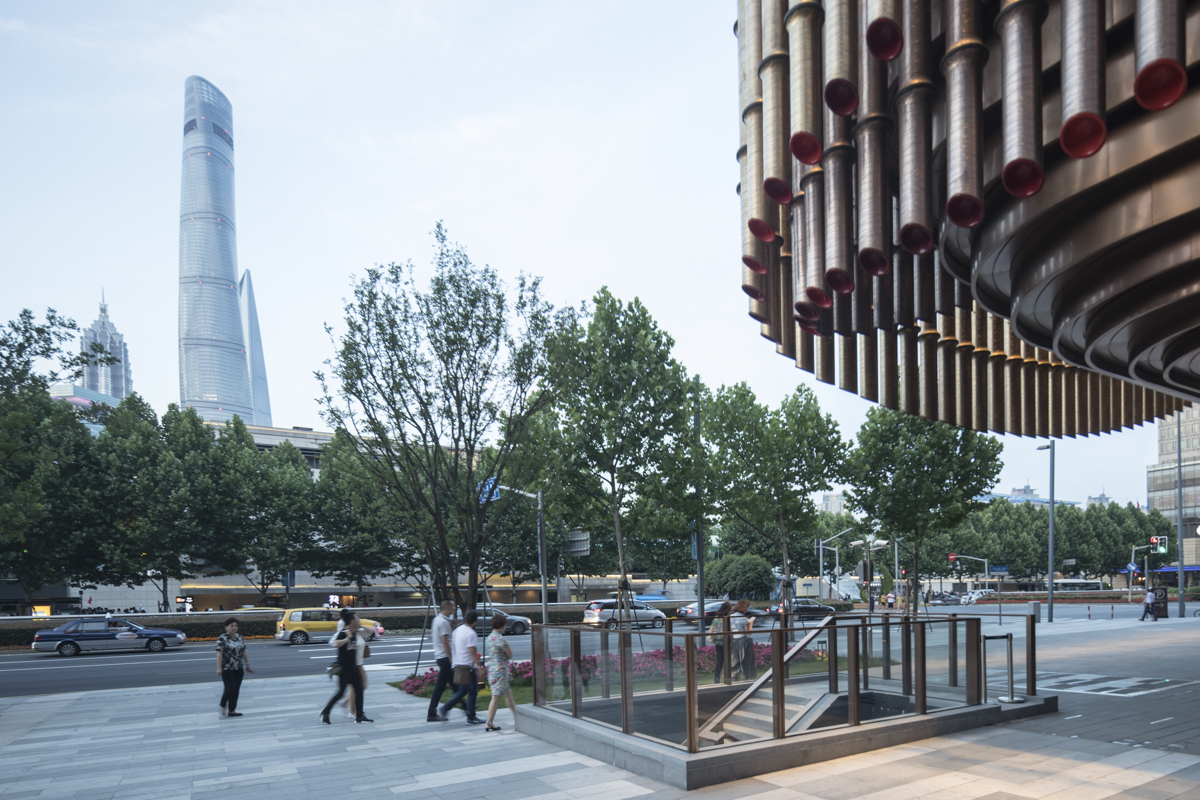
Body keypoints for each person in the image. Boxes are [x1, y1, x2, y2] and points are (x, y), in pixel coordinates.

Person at [321, 610, 372, 723]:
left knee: (359, 690)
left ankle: (359, 715)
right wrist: (347, 638)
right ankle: (326, 711)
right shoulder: (343, 632)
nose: (359, 621)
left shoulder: (354, 632)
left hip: (354, 667)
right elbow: (336, 644)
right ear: (352, 621)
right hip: (344, 669)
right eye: (357, 619)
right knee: (340, 693)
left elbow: (371, 631)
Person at [439, 609, 484, 725]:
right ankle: (471, 717)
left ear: (465, 618)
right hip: (468, 667)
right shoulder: (471, 633)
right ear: (476, 620)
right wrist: (478, 667)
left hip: (458, 665)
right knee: (472, 692)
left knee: (463, 690)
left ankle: (445, 708)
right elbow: (472, 652)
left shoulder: (457, 630)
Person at [216, 617, 254, 718]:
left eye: (236, 626)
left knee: (236, 689)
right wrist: (219, 668)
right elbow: (219, 654)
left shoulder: (239, 637)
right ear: (226, 627)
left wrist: (247, 664)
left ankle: (232, 710)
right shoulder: (222, 639)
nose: (234, 628)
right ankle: (223, 704)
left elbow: (244, 651)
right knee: (230, 688)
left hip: (238, 667)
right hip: (227, 668)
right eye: (231, 626)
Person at [484, 615, 515, 731]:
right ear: (501, 626)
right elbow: (510, 654)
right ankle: (489, 722)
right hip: (500, 671)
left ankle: (517, 715)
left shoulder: (489, 638)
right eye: (505, 625)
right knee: (496, 697)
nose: (505, 627)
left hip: (492, 669)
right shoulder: (502, 640)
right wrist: (505, 657)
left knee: (507, 693)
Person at [426, 600, 456, 722]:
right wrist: (451, 658)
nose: (454, 608)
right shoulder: (443, 622)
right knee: (440, 687)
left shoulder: (438, 620)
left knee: (455, 686)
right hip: (445, 658)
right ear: (447, 606)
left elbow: (444, 638)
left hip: (441, 656)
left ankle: (467, 708)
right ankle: (431, 713)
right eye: (453, 606)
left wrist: (451, 627)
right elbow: (445, 642)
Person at [729, 599, 756, 680]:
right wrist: (751, 623)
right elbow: (748, 632)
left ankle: (733, 676)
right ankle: (749, 676)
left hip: (734, 640)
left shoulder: (731, 617)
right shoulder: (743, 618)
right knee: (748, 659)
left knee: (735, 659)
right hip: (743, 640)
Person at [709, 602, 733, 683]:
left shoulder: (716, 618)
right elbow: (729, 632)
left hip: (718, 643)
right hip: (726, 643)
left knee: (719, 662)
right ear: (727, 610)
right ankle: (727, 678)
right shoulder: (726, 619)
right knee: (728, 661)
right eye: (730, 610)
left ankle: (717, 679)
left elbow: (713, 629)